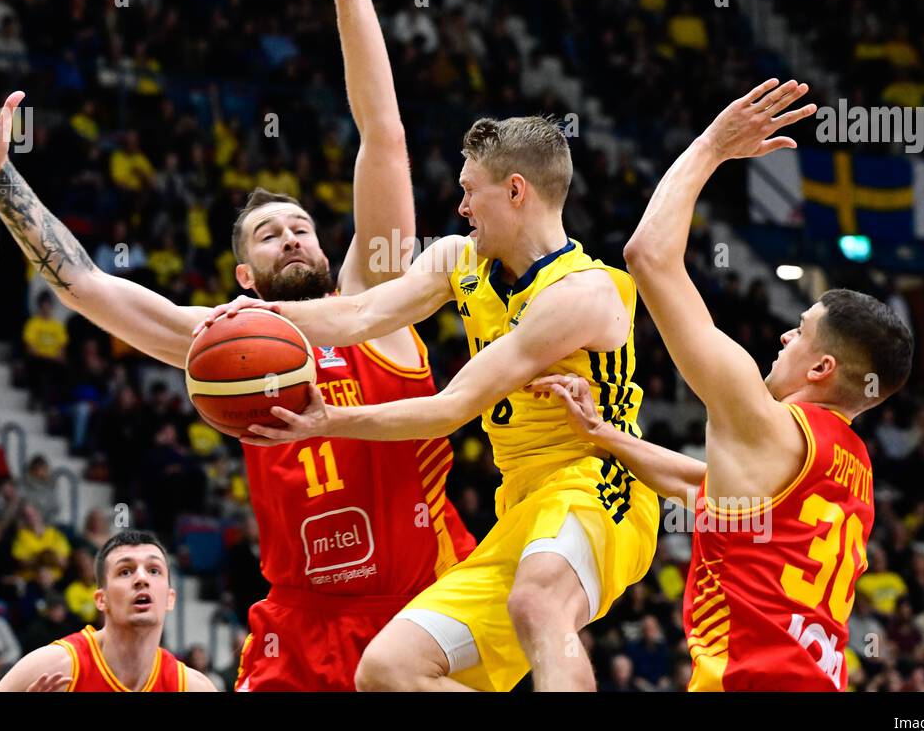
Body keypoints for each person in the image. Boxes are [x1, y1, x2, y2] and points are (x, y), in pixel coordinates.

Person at [0, 0, 474, 692]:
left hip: (418, 606)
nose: (295, 238)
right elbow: (85, 286)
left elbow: (383, 134)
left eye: (303, 226)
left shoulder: (374, 301)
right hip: (300, 619)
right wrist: (1, 178)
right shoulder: (224, 341)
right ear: (244, 275)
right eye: (270, 235)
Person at [204, 115, 660, 691]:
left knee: (539, 602)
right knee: (389, 670)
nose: (462, 207)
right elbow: (360, 313)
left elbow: (452, 407)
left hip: (599, 483)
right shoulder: (458, 260)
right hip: (519, 505)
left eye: (470, 191)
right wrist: (264, 314)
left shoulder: (583, 293)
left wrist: (330, 420)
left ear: (515, 191)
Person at [535, 79, 913, 690]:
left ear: (822, 370)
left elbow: (649, 256)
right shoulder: (851, 468)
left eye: (800, 331)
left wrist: (712, 145)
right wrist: (605, 435)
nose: (786, 339)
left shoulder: (761, 420)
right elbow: (703, 488)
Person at [0, 531, 214, 691]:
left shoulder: (191, 686)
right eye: (125, 571)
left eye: (154, 570)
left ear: (170, 599)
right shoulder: (55, 668)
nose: (142, 579)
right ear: (101, 599)